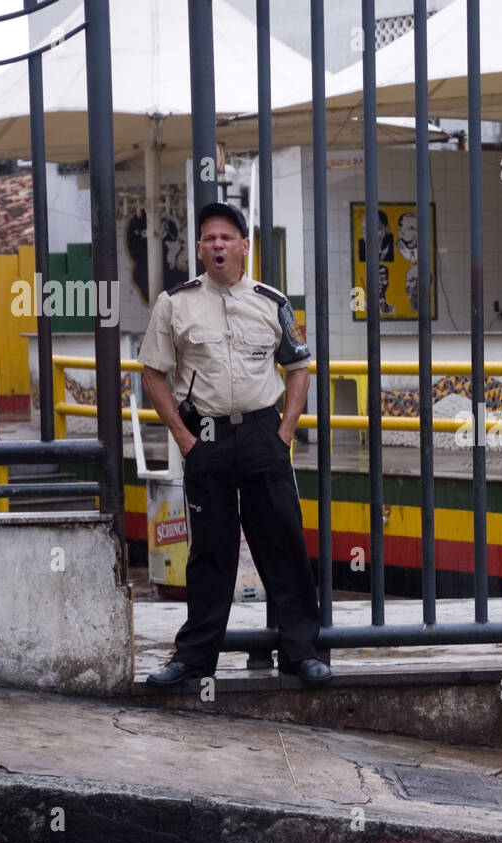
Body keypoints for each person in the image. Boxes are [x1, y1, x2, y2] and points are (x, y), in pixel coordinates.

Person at [138, 201, 331, 687]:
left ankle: (300, 653)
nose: (218, 245)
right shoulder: (175, 303)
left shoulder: (271, 302)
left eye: (227, 237)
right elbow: (153, 374)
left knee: (283, 543)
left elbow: (299, 366)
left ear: (245, 246)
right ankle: (194, 659)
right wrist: (183, 440)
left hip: (264, 436)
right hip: (205, 440)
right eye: (209, 238)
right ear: (200, 249)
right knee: (209, 553)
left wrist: (285, 430)